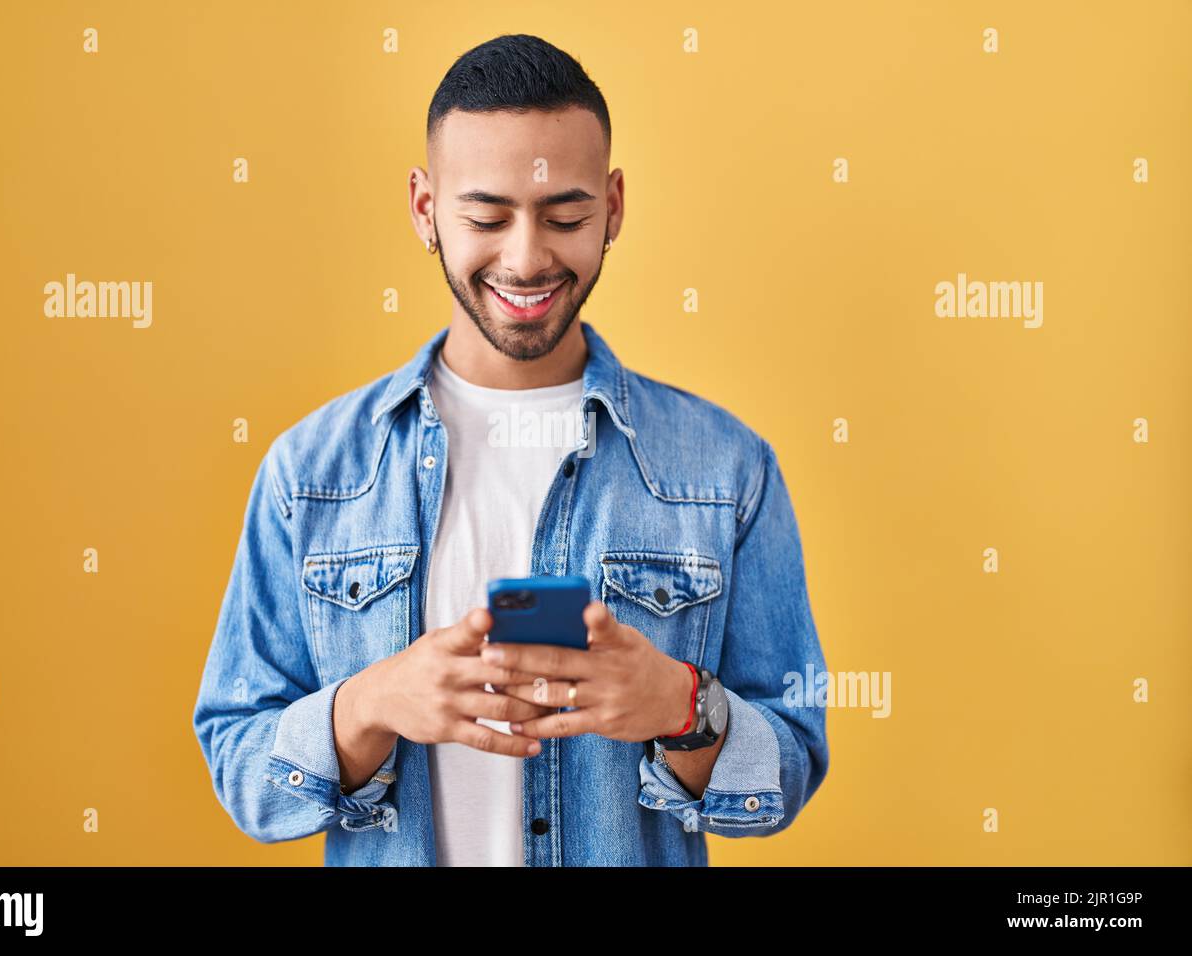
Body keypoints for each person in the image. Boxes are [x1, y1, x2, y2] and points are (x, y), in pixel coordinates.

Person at [193, 33, 829, 866]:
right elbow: (243, 771)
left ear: (614, 207)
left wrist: (681, 705)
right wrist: (371, 703)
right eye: (486, 217)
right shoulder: (312, 474)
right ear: (425, 209)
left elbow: (787, 771)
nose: (527, 259)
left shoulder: (726, 470)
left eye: (565, 217)